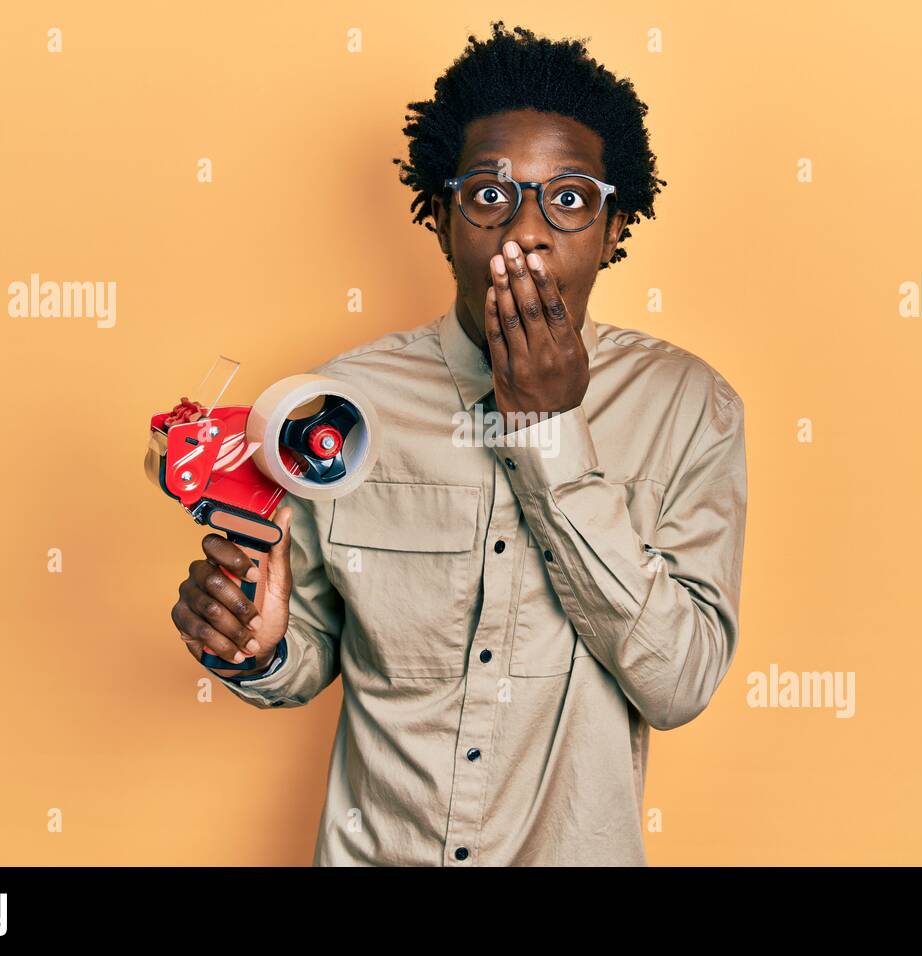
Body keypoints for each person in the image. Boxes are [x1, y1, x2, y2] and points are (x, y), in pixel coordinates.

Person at [170, 20, 748, 865]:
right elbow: (309, 645)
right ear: (441, 219)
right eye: (488, 196)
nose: (525, 233)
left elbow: (680, 681)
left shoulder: (690, 407)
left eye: (570, 199)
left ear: (615, 229)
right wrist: (258, 648)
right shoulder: (340, 404)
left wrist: (548, 431)